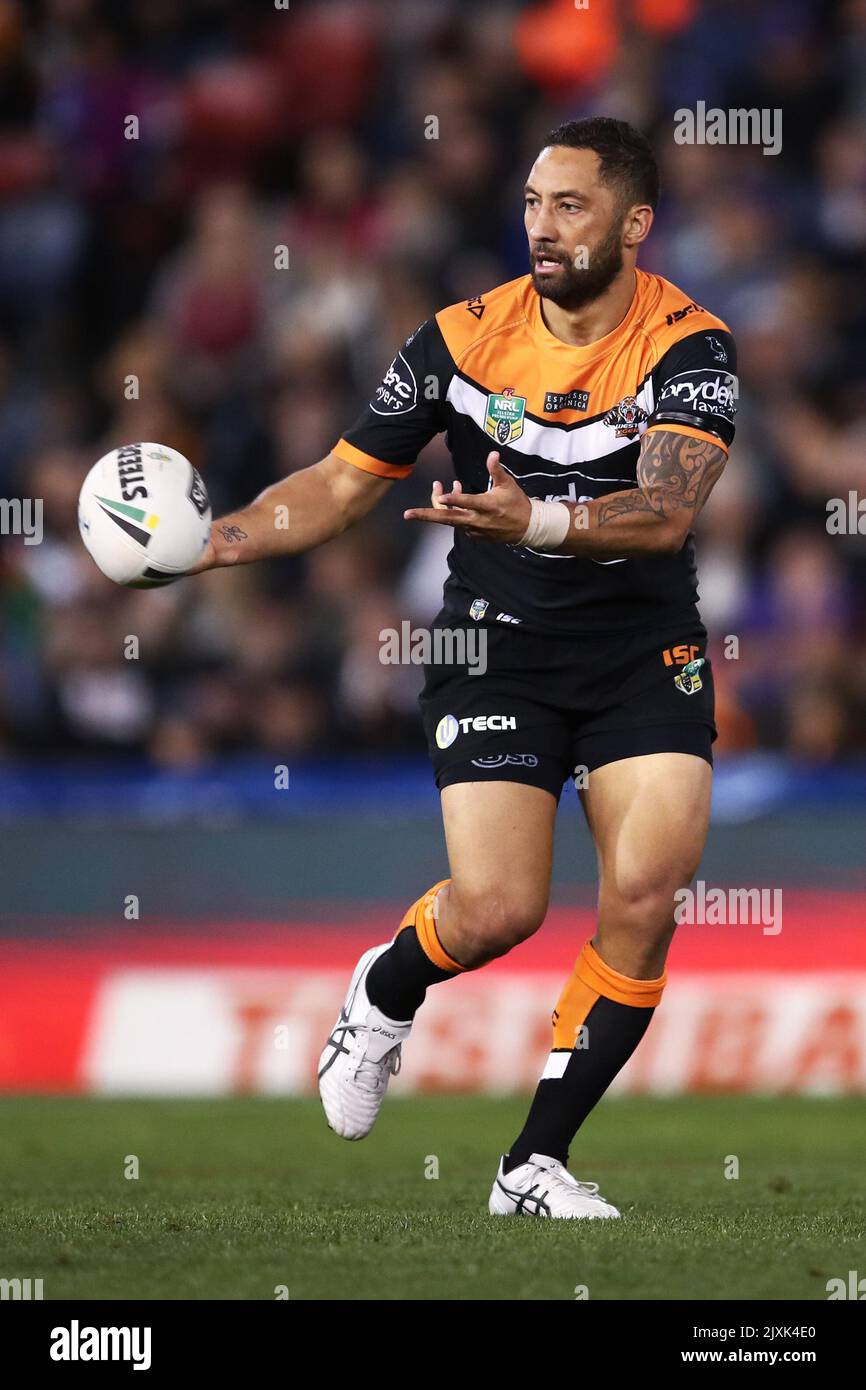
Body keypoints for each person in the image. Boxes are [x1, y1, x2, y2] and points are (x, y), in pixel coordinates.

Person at [193, 117, 737, 1219]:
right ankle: (384, 990)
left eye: (570, 205)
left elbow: (665, 513)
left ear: (633, 224)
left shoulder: (691, 344)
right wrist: (225, 538)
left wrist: (532, 515)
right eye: (533, 201)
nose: (541, 225)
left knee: (644, 890)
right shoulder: (455, 340)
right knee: (496, 910)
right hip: (495, 648)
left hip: (642, 651)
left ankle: (530, 1163)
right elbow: (341, 485)